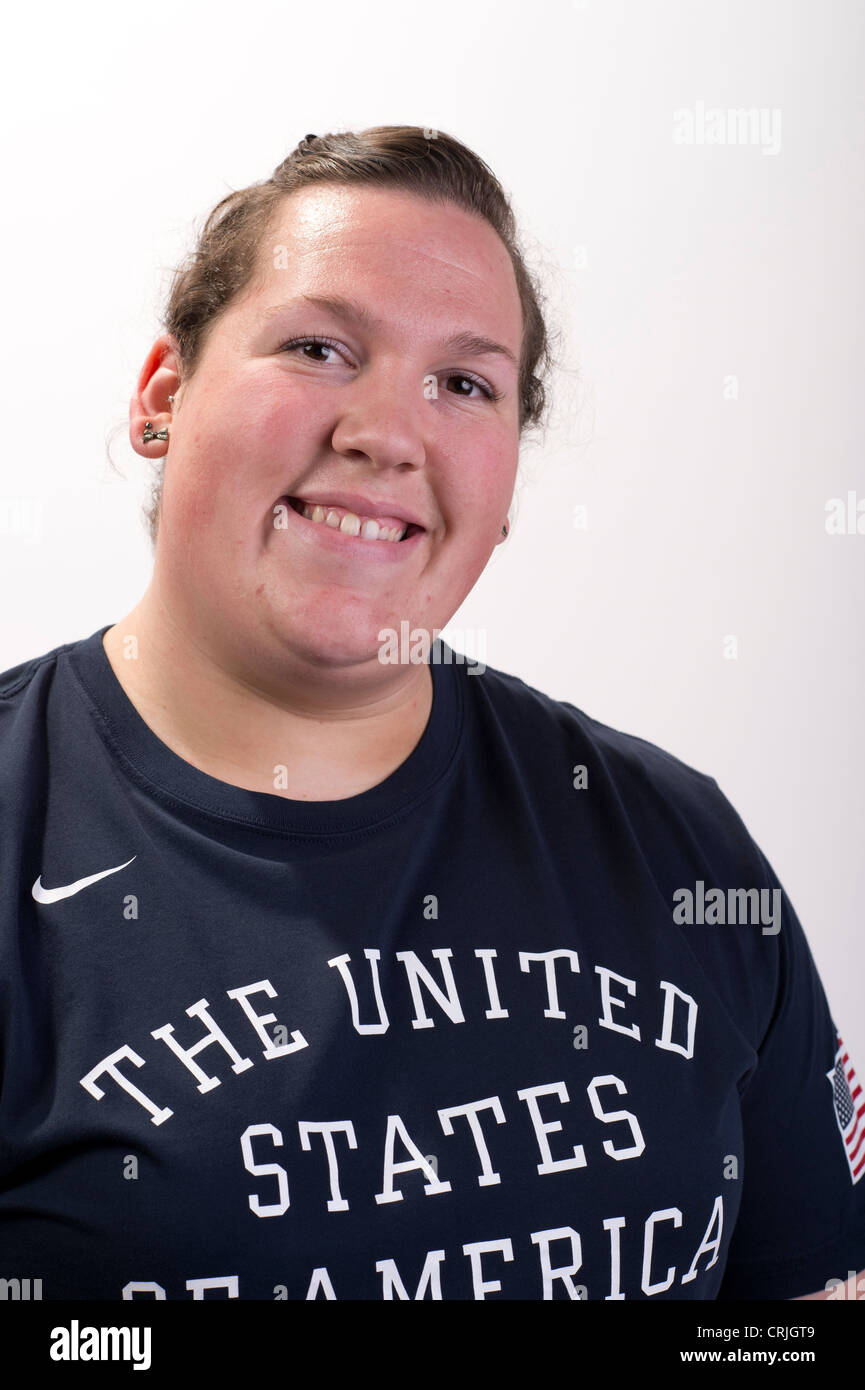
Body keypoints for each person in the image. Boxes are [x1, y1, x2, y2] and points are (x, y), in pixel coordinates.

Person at [1, 126, 862, 1303]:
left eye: (463, 384)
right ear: (163, 395)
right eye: (317, 346)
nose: (386, 434)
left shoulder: (675, 841)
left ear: (506, 474)